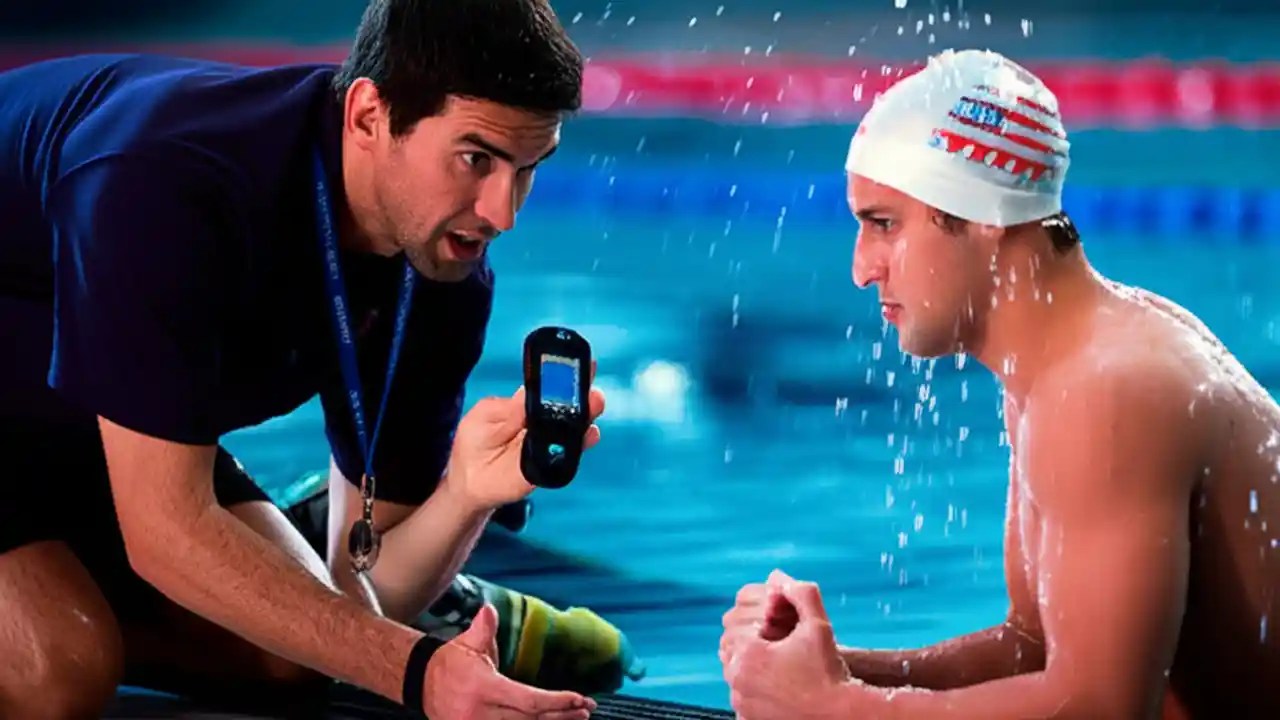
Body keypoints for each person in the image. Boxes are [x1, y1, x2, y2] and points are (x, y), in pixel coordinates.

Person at [0, 0, 640, 717]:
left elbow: (367, 589)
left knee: (296, 658)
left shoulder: (443, 272)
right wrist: (420, 671)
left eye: (527, 169)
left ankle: (78, 579)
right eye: (476, 159)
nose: (503, 212)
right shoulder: (164, 183)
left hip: (82, 423)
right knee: (58, 671)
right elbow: (164, 531)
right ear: (368, 115)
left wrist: (465, 496)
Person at [719, 48, 1279, 720]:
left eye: (884, 224)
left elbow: (1103, 706)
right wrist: (834, 672)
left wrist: (836, 710)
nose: (862, 269)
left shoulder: (1106, 391)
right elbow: (1037, 649)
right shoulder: (1075, 359)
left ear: (983, 213)